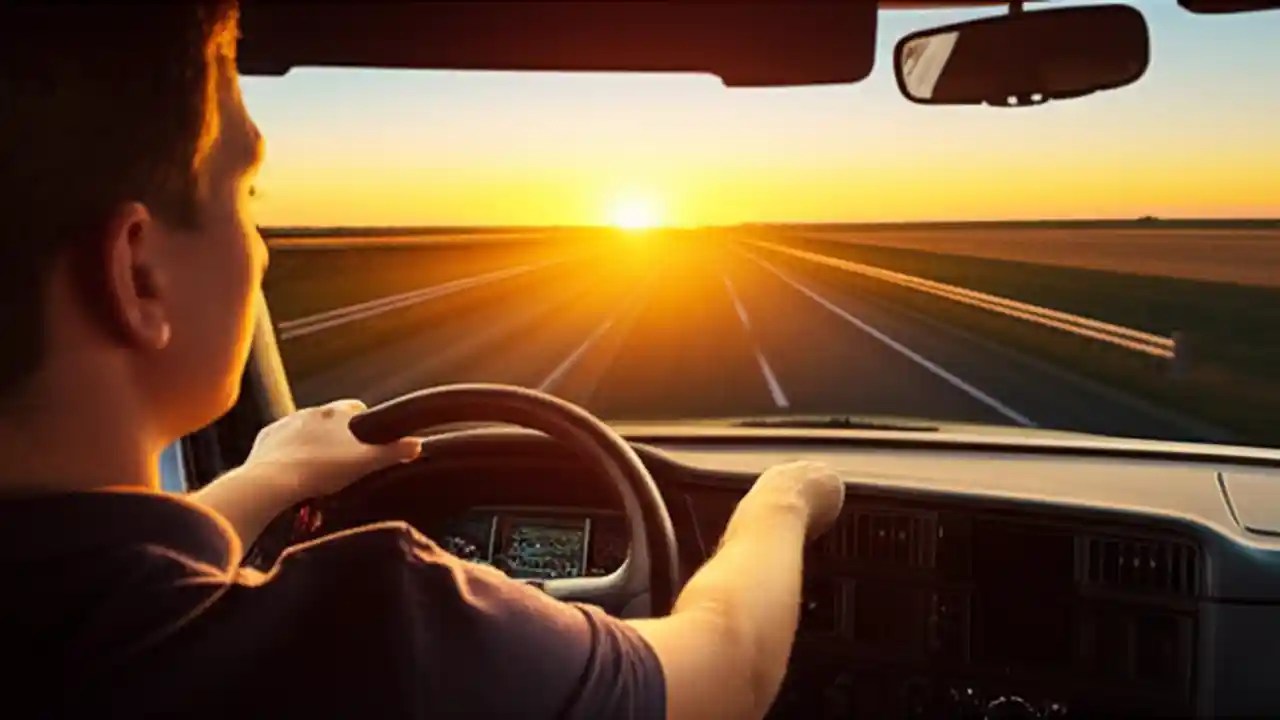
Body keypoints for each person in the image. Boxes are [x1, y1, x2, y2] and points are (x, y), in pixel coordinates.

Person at [0, 4, 844, 718]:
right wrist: (785, 499)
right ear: (139, 275)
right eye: (245, 197)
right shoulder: (383, 633)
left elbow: (110, 595)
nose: (262, 252)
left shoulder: (83, 621)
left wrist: (266, 477)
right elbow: (731, 667)